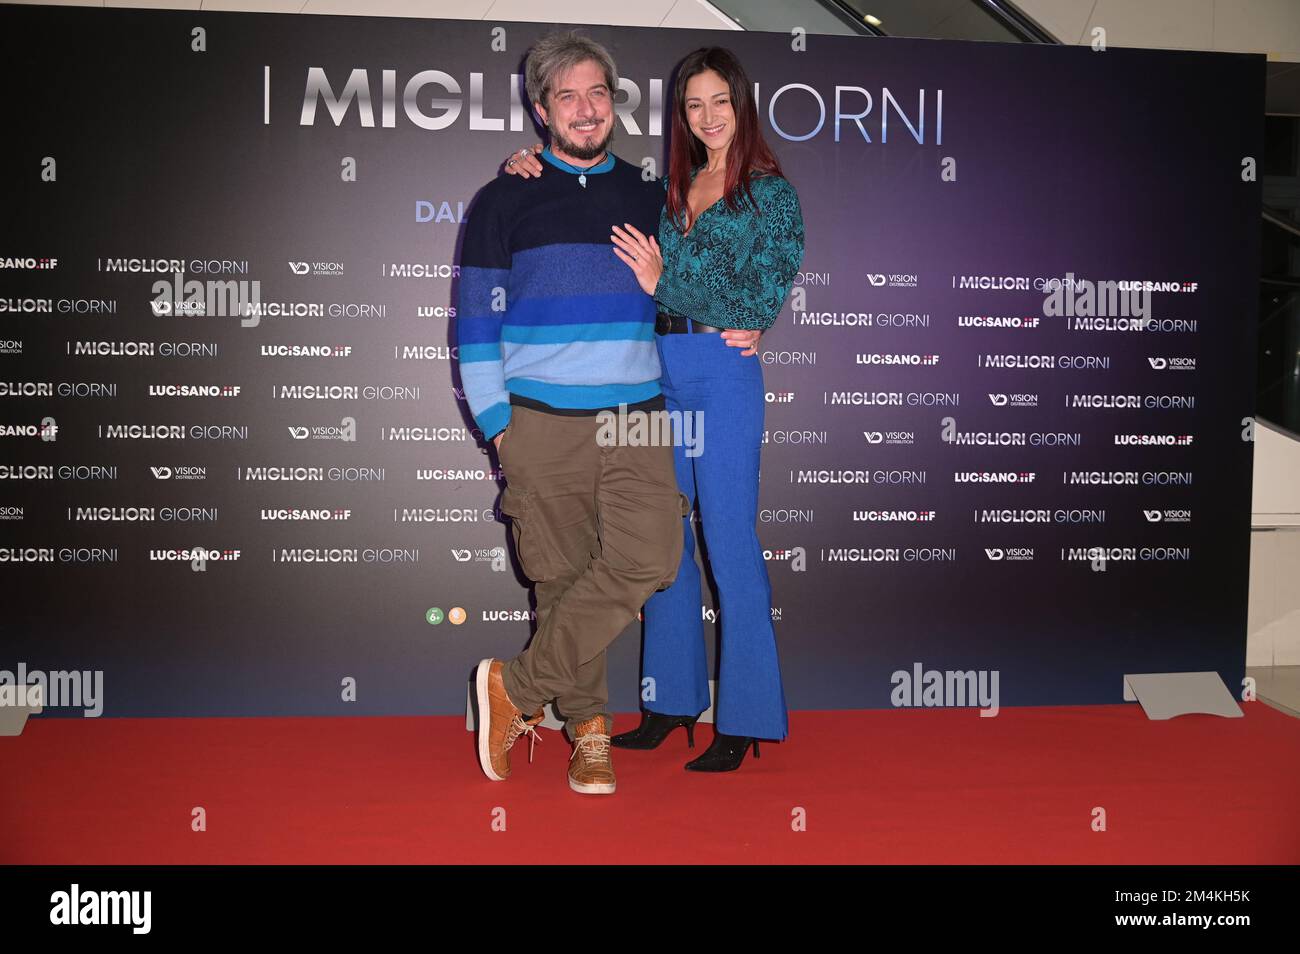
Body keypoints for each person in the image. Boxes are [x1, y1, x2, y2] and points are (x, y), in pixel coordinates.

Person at [501, 46, 805, 771]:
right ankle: (670, 702)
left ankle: (747, 715)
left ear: (742, 103)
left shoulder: (772, 194)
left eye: (720, 102)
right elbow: (584, 180)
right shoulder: (663, 187)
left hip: (722, 372)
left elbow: (753, 302)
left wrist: (667, 280)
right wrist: (529, 163)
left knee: (728, 543)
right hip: (652, 373)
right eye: (693, 105)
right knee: (662, 545)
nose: (708, 117)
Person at [458, 31, 688, 795]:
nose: (586, 110)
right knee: (558, 579)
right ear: (540, 109)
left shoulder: (652, 194)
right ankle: (590, 733)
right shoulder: (504, 198)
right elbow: (475, 323)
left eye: (598, 93)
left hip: (636, 413)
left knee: (650, 559)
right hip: (540, 419)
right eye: (568, 96)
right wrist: (499, 425)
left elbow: (699, 292)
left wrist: (697, 299)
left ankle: (514, 690)